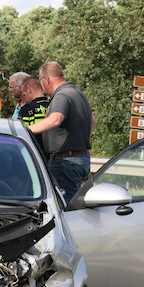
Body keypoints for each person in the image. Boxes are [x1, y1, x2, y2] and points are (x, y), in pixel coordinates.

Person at [28, 61, 95, 202]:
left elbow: (56, 119)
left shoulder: (62, 95)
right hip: (80, 157)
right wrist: (80, 141)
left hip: (65, 161)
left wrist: (27, 130)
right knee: (73, 202)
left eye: (41, 82)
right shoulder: (78, 93)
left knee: (64, 207)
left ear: (46, 80)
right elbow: (93, 121)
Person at [18, 76, 51, 153]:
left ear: (29, 89)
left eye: (24, 94)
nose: (24, 98)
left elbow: (21, 133)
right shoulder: (53, 104)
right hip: (53, 151)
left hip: (35, 151)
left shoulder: (26, 109)